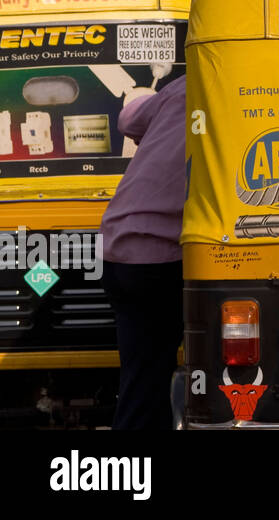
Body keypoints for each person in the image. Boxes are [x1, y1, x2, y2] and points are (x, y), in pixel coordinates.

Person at [98, 74, 187, 430]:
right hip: (161, 254)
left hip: (117, 246)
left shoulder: (183, 86)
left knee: (143, 379)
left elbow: (128, 119)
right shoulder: (243, 95)